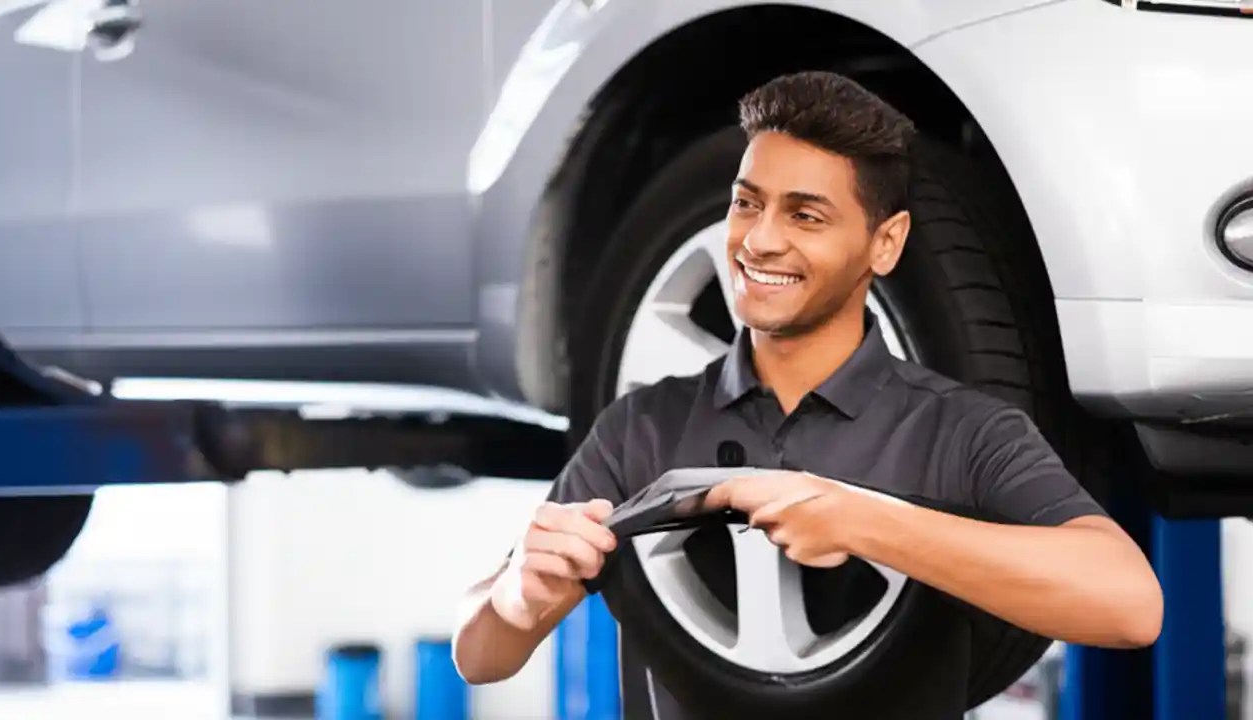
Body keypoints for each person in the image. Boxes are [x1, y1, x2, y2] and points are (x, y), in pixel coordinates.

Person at [451, 70, 1163, 717]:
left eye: (805, 215)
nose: (759, 241)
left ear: (885, 244)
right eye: (746, 203)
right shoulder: (641, 426)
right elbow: (481, 656)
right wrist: (518, 598)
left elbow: (1130, 606)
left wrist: (863, 521)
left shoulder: (963, 431)